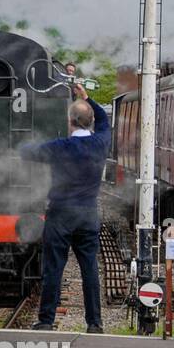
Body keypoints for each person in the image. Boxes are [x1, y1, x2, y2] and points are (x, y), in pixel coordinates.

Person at [19, 83, 111, 333]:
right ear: (89, 122)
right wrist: (87, 98)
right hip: (87, 214)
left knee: (54, 268)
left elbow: (27, 152)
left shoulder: (58, 147)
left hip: (60, 214)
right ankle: (94, 323)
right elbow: (104, 121)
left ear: (70, 121)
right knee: (90, 269)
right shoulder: (100, 143)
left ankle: (47, 320)